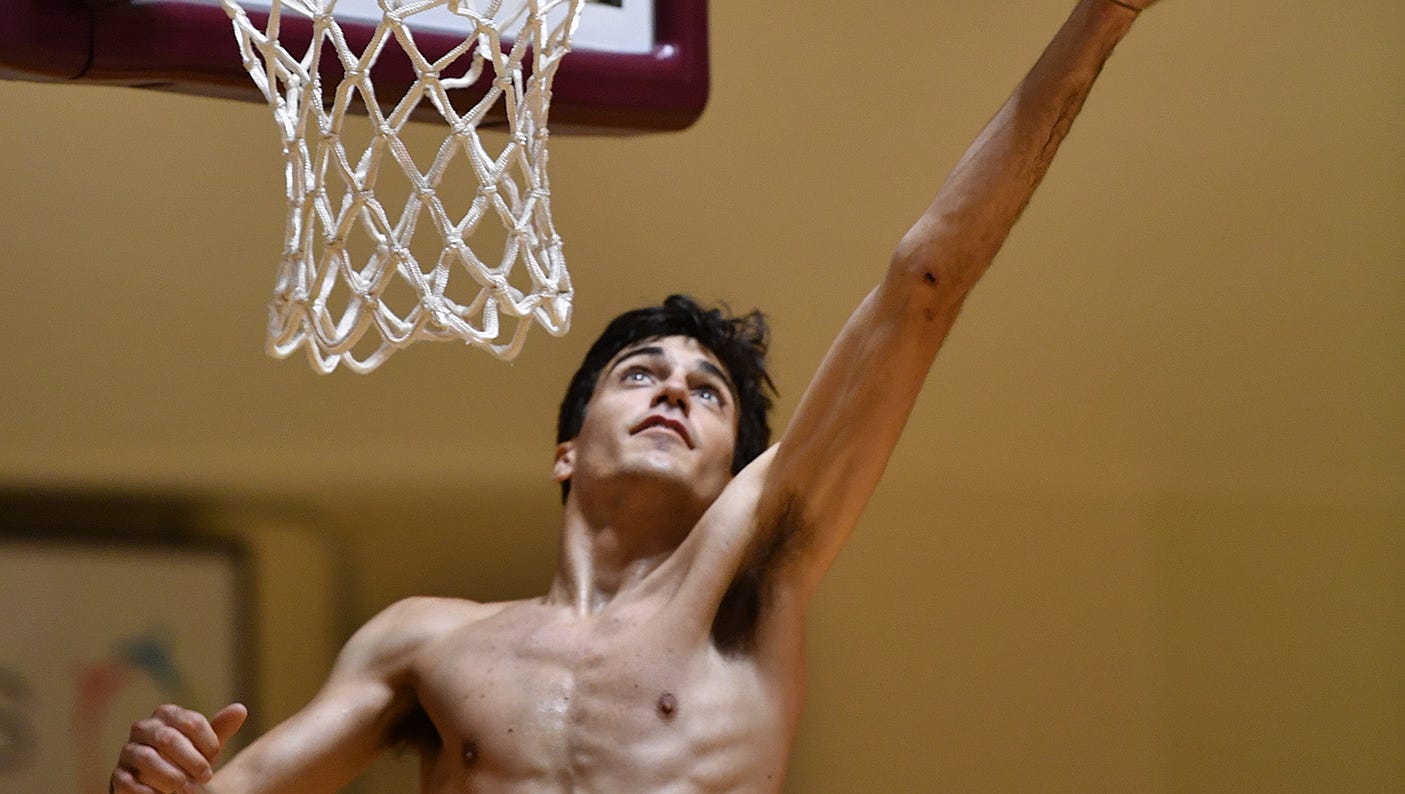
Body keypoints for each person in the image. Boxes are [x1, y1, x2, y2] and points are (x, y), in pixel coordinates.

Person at [111, 1, 1165, 791]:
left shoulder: (750, 569)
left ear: (731, 474)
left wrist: (1097, 21)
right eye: (640, 373)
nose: (674, 390)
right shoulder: (422, 639)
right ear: (567, 450)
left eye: (709, 393)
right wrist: (165, 776)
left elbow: (926, 278)